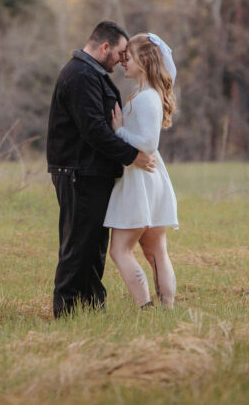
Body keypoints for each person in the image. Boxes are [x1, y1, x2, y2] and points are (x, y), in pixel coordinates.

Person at [46, 20, 157, 318]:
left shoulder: (92, 73)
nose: (122, 59)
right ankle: (66, 311)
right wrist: (132, 155)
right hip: (78, 172)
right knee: (78, 243)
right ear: (105, 47)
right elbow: (94, 130)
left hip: (92, 172)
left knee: (93, 244)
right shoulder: (80, 75)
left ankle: (92, 306)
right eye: (120, 52)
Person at [104, 32, 178, 308]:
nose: (124, 62)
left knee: (120, 250)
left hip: (140, 179)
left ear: (145, 61)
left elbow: (148, 142)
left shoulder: (147, 98)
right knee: (155, 250)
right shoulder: (148, 95)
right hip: (151, 177)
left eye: (129, 57)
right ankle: (166, 308)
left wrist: (119, 131)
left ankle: (145, 307)